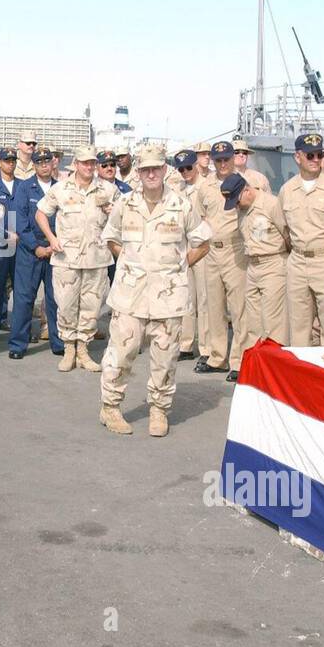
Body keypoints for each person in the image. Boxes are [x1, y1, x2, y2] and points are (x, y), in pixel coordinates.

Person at [99, 144, 211, 436]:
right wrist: (127, 261)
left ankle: (159, 410)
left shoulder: (181, 204)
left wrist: (180, 266)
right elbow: (110, 237)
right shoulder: (125, 203)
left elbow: (203, 242)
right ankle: (110, 407)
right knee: (121, 354)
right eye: (145, 169)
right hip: (129, 296)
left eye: (156, 168)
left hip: (168, 298)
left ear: (164, 170)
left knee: (165, 358)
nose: (151, 174)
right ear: (138, 172)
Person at [35, 145, 118, 372]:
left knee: (92, 308)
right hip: (67, 260)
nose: (89, 167)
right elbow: (41, 213)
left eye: (92, 163)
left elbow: (123, 216)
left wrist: (115, 214)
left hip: (97, 259)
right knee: (67, 306)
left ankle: (83, 349)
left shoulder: (108, 190)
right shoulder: (60, 189)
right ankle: (69, 349)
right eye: (85, 163)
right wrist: (51, 238)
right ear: (76, 164)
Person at [194, 141, 250, 380]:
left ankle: (239, 360)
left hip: (235, 249)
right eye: (218, 160)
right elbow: (200, 217)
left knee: (239, 308)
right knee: (214, 307)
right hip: (212, 252)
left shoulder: (245, 184)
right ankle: (217, 357)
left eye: (227, 158)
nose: (223, 163)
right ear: (213, 162)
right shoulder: (204, 187)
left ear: (233, 158)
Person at [279, 132, 324, 347]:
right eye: (310, 155)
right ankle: (300, 376)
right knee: (299, 326)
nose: (315, 160)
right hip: (298, 262)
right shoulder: (288, 189)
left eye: (319, 155)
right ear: (298, 157)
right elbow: (284, 228)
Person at [8, 147, 65, 360]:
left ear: (52, 163)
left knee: (55, 299)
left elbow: (67, 220)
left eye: (46, 161)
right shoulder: (24, 188)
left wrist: (53, 245)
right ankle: (17, 344)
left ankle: (57, 341)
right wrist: (36, 247)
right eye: (39, 161)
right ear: (33, 165)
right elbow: (20, 222)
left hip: (56, 252)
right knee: (23, 299)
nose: (43, 164)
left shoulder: (61, 188)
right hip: (30, 252)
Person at [226, 172, 290, 358]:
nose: (235, 207)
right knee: (253, 323)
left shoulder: (271, 204)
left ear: (246, 190)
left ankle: (275, 366)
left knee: (273, 325)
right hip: (252, 267)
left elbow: (287, 235)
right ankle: (257, 366)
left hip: (273, 264)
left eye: (236, 202)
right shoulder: (242, 209)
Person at [172, 150, 210, 363]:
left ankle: (205, 347)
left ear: (196, 165)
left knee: (205, 301)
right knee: (185, 299)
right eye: (181, 169)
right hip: (183, 249)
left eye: (188, 167)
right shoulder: (177, 190)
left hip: (203, 250)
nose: (185, 172)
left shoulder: (207, 186)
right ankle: (185, 344)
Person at [0, 147, 20, 339]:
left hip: (20, 246)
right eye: (6, 160)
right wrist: (4, 233)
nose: (10, 163)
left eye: (13, 160)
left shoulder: (23, 186)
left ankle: (19, 332)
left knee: (22, 292)